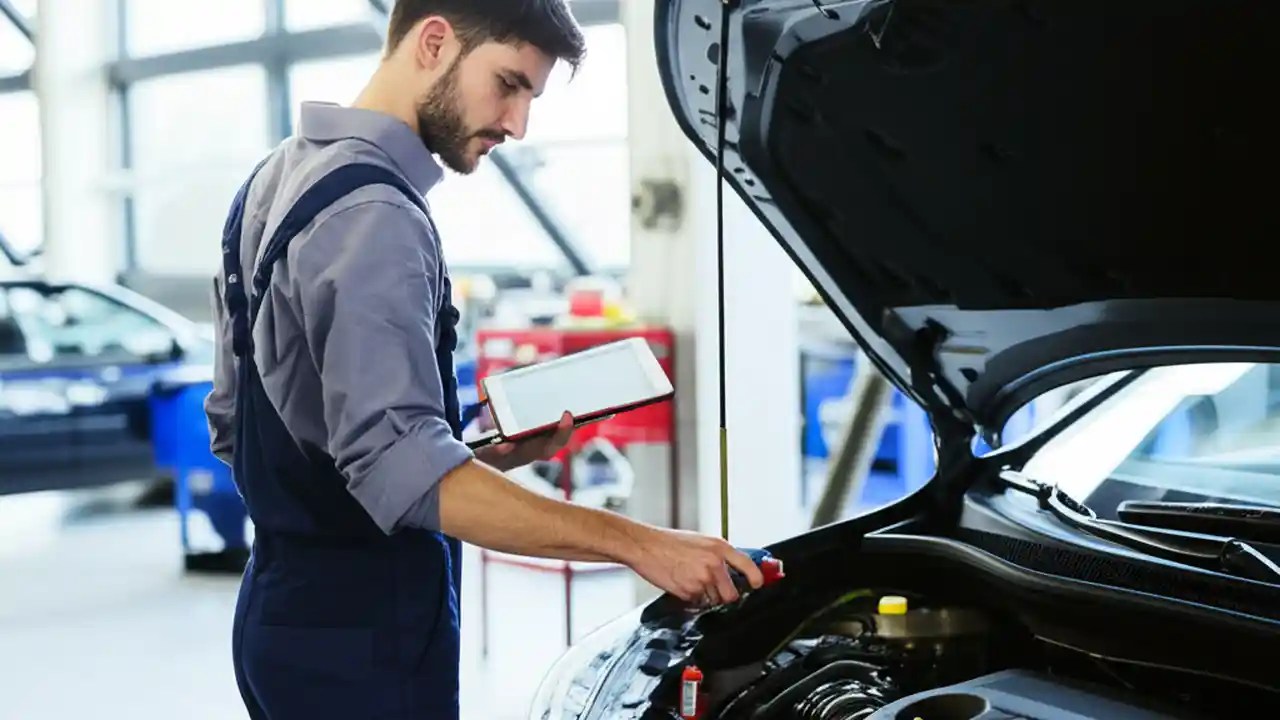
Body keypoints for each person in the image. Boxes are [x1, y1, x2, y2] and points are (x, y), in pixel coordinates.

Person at [203, 1, 764, 717]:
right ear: (434, 42)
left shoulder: (274, 178)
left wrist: (468, 457)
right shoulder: (376, 215)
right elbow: (398, 471)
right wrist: (644, 545)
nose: (517, 123)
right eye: (508, 83)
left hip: (280, 614)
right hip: (365, 633)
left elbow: (239, 425)